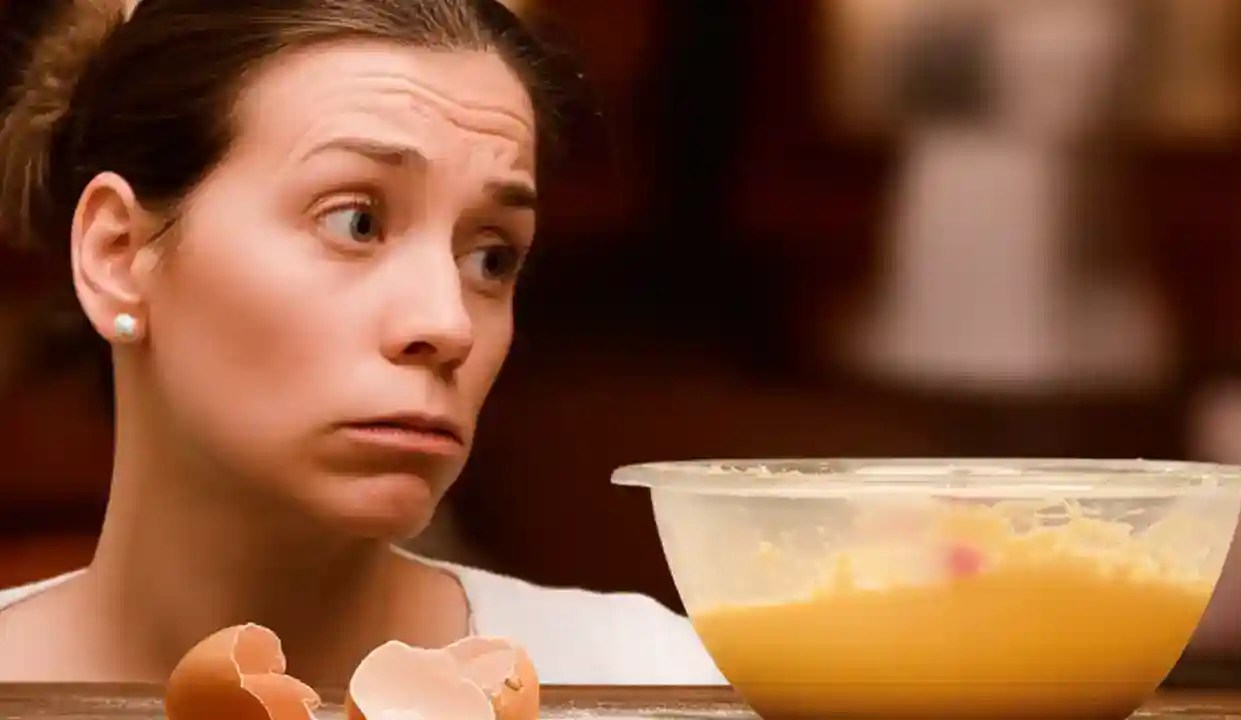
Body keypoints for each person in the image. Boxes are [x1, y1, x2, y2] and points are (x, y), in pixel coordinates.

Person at [0, 0, 725, 687]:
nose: (448, 324)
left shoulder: (645, 679)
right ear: (118, 254)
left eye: (491, 257)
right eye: (356, 223)